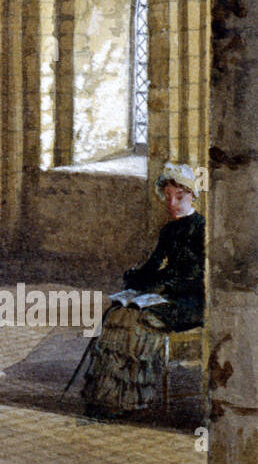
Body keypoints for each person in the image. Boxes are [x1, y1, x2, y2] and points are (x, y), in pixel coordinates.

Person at [81, 162, 205, 418]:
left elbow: (197, 277)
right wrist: (135, 279)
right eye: (168, 197)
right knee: (117, 315)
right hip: (165, 295)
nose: (172, 203)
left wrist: (161, 286)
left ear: (191, 195)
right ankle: (105, 398)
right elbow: (153, 266)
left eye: (179, 197)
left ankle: (128, 400)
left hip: (189, 302)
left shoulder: (201, 228)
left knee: (138, 323)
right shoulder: (168, 230)